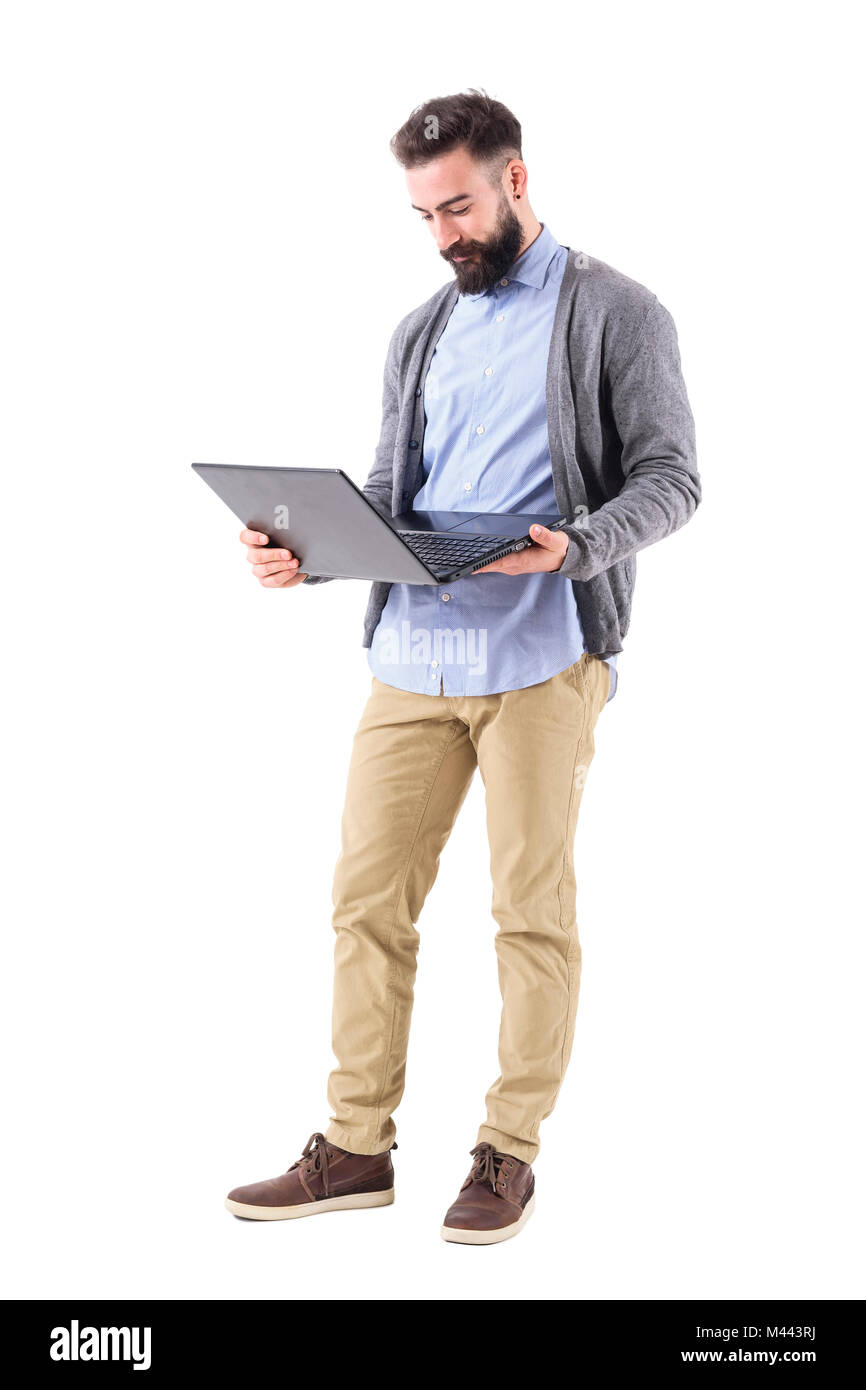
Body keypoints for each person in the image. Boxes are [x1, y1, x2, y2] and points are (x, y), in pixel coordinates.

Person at [225, 89, 700, 1244]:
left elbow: (672, 479)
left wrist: (572, 545)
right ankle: (353, 1145)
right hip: (411, 658)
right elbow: (394, 499)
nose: (445, 235)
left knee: (528, 911)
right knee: (364, 902)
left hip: (542, 656)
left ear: (515, 180)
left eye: (459, 205)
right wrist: (308, 553)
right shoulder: (419, 331)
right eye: (424, 216)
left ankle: (506, 1151)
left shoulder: (616, 312)